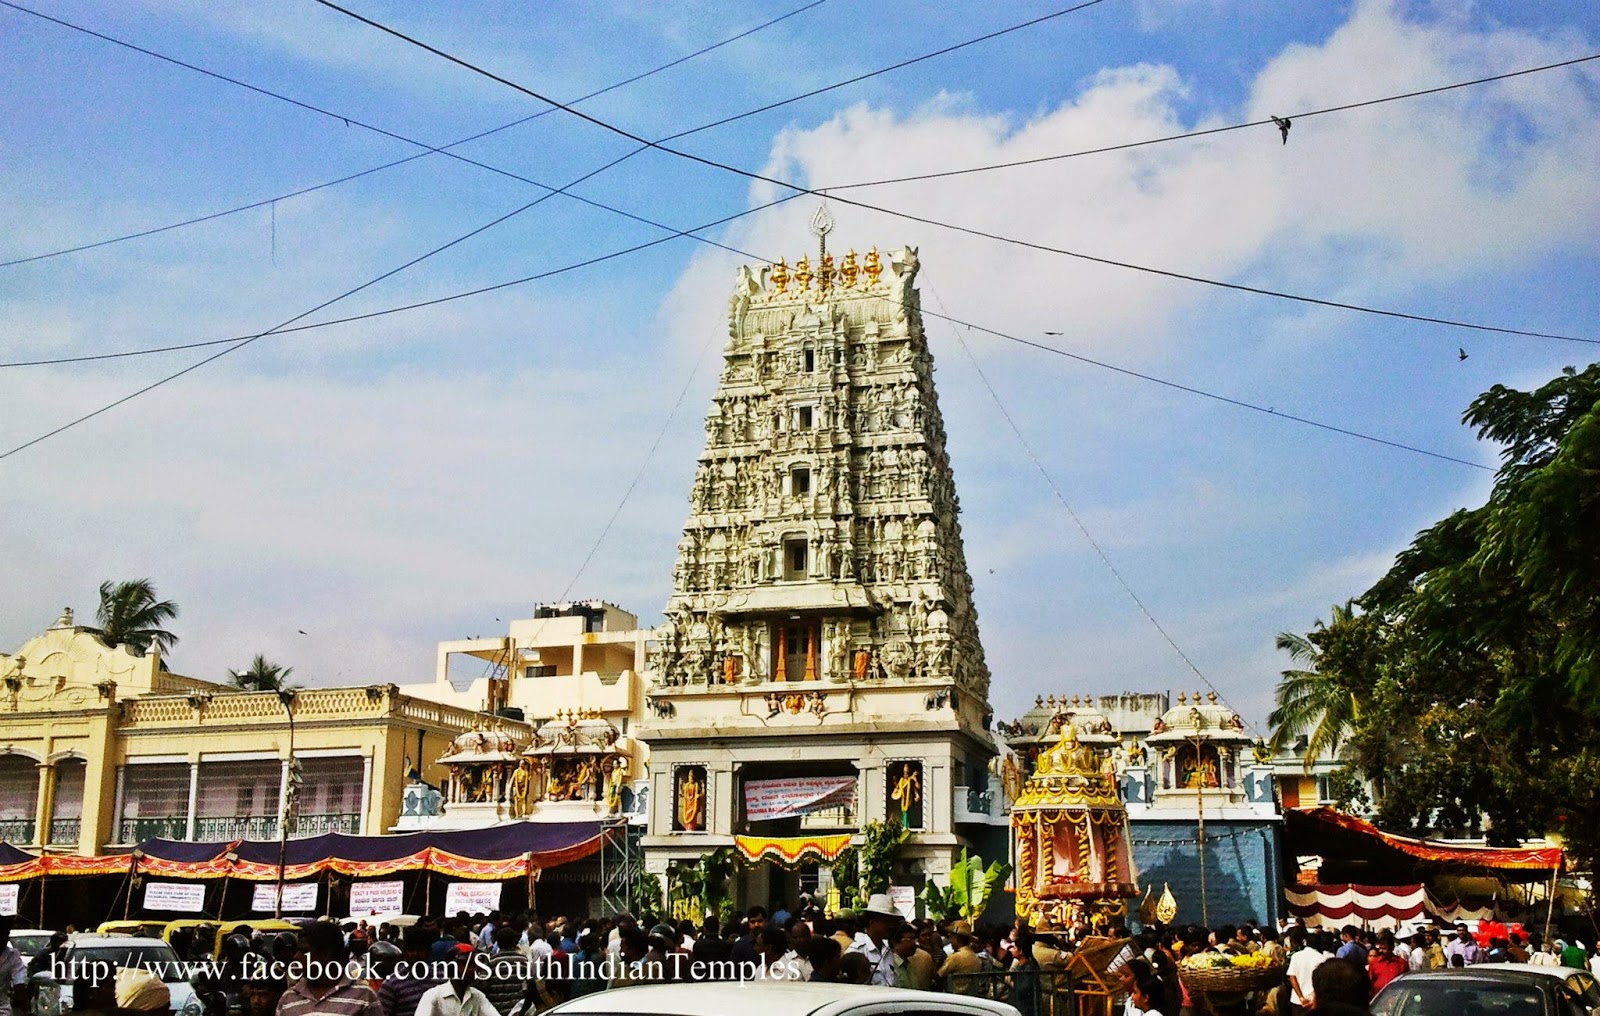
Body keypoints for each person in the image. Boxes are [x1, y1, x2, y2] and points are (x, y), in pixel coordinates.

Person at [276, 922, 382, 1016]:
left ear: (325, 954)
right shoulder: (288, 999)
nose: (296, 957)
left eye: (304, 951)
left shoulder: (363, 996)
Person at [414, 947, 500, 1016]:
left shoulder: (477, 997)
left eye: (473, 965)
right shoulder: (433, 996)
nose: (471, 970)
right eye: (465, 965)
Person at [377, 927, 441, 1016]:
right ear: (405, 952)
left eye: (420, 950)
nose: (415, 954)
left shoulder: (441, 979)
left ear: (428, 952)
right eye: (411, 950)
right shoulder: (392, 984)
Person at [845, 896, 901, 987]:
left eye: (892, 922)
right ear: (872, 922)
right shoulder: (857, 950)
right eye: (886, 921)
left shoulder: (888, 951)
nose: (890, 926)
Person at [1286, 928, 1328, 1015]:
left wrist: (1301, 997)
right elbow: (1320, 982)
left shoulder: (1296, 956)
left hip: (1297, 1000)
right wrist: (1314, 999)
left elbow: (1292, 977)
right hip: (1315, 1001)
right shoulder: (1322, 958)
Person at [0, 917, 25, 1016]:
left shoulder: (13, 956)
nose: (4, 938)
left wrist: (25, 1008)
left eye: (6, 934)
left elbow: (19, 984)